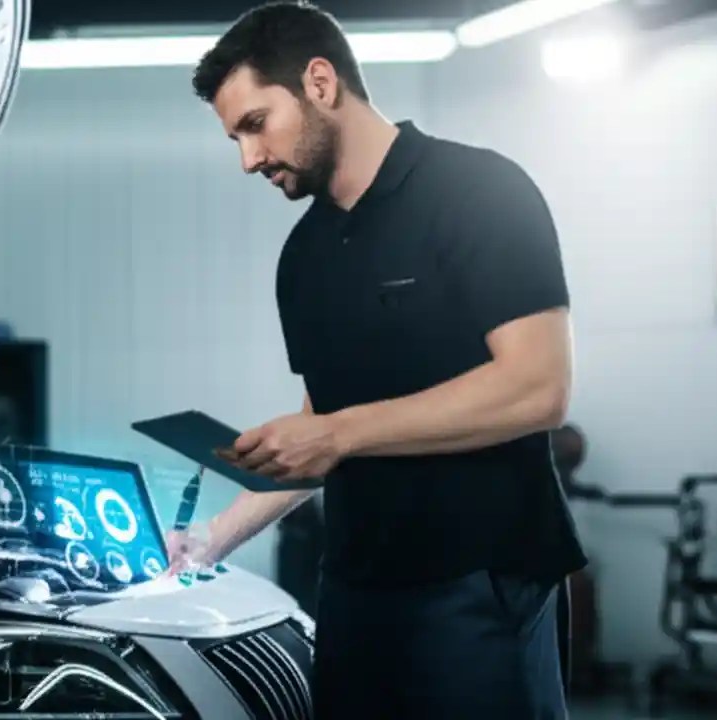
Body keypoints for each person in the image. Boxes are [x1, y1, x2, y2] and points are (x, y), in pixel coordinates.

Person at [168, 2, 588, 718]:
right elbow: (320, 424)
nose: (247, 159)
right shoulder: (301, 259)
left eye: (255, 124)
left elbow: (537, 387)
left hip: (480, 581)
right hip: (355, 591)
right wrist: (212, 538)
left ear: (320, 83)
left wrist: (339, 433)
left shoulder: (481, 191)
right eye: (235, 137)